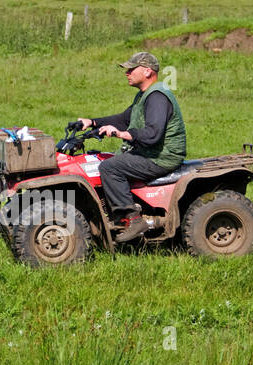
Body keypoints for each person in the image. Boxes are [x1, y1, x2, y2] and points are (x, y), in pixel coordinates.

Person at [76, 51, 186, 243]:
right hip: (150, 153)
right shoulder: (143, 96)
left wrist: (121, 134)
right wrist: (92, 122)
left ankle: (133, 219)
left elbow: (153, 134)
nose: (127, 73)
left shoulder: (158, 97)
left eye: (131, 69)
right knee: (103, 158)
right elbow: (123, 119)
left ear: (147, 71)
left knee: (110, 167)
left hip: (162, 157)